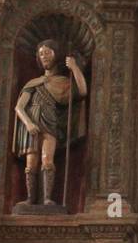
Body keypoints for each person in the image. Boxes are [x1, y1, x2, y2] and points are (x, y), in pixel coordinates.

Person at [12, 39, 87, 207]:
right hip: (31, 125)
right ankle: (30, 199)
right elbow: (19, 107)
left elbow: (82, 91)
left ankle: (46, 198)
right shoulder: (33, 83)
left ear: (56, 55)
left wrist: (74, 67)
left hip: (50, 122)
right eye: (41, 54)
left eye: (47, 52)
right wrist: (29, 123)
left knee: (47, 160)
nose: (44, 56)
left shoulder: (63, 82)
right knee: (31, 163)